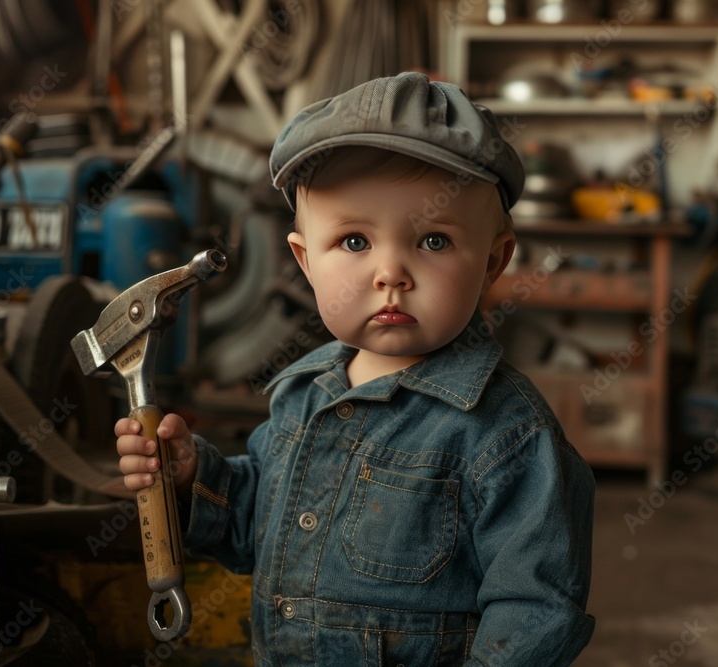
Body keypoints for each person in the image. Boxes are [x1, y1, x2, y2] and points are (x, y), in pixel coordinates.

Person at [116, 71, 596, 665]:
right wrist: (193, 478)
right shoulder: (300, 396)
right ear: (304, 260)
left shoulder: (507, 436)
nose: (390, 273)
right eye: (353, 242)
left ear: (494, 260)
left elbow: (535, 613)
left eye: (435, 241)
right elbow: (257, 532)